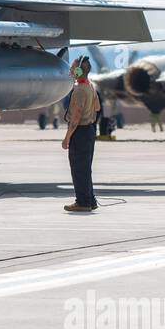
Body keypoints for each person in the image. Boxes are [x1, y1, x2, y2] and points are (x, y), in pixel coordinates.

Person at [61, 55, 100, 212]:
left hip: (80, 132)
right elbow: (97, 107)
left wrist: (67, 138)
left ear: (78, 70)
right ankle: (90, 200)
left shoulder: (79, 90)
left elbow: (75, 118)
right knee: (86, 168)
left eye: (72, 67)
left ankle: (83, 202)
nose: (70, 69)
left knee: (78, 169)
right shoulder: (90, 86)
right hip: (90, 130)